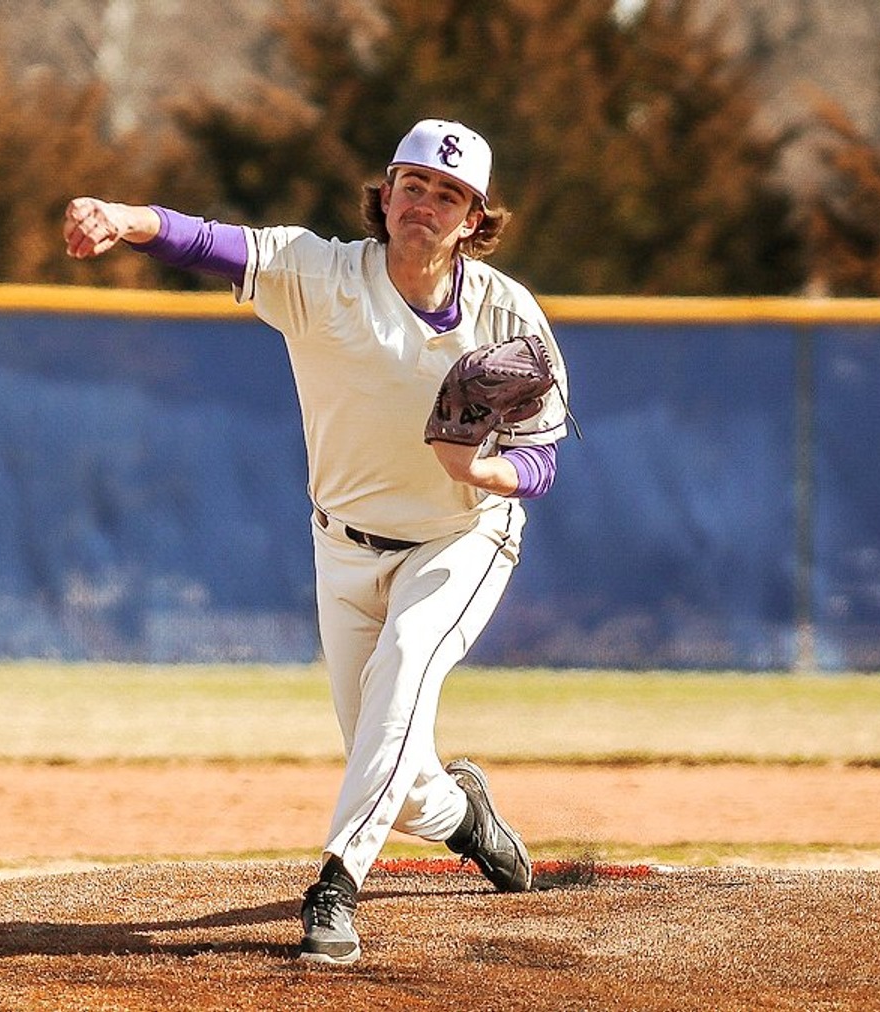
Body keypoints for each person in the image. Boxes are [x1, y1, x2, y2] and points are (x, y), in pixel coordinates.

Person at [62, 118, 571, 966]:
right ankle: (467, 816)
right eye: (414, 183)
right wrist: (122, 216)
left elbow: (544, 457)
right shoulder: (321, 273)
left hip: (460, 540)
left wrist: (481, 476)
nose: (425, 202)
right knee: (401, 778)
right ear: (386, 190)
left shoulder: (506, 311)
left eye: (449, 194)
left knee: (408, 664)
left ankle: (336, 885)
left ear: (476, 220)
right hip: (342, 548)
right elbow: (205, 242)